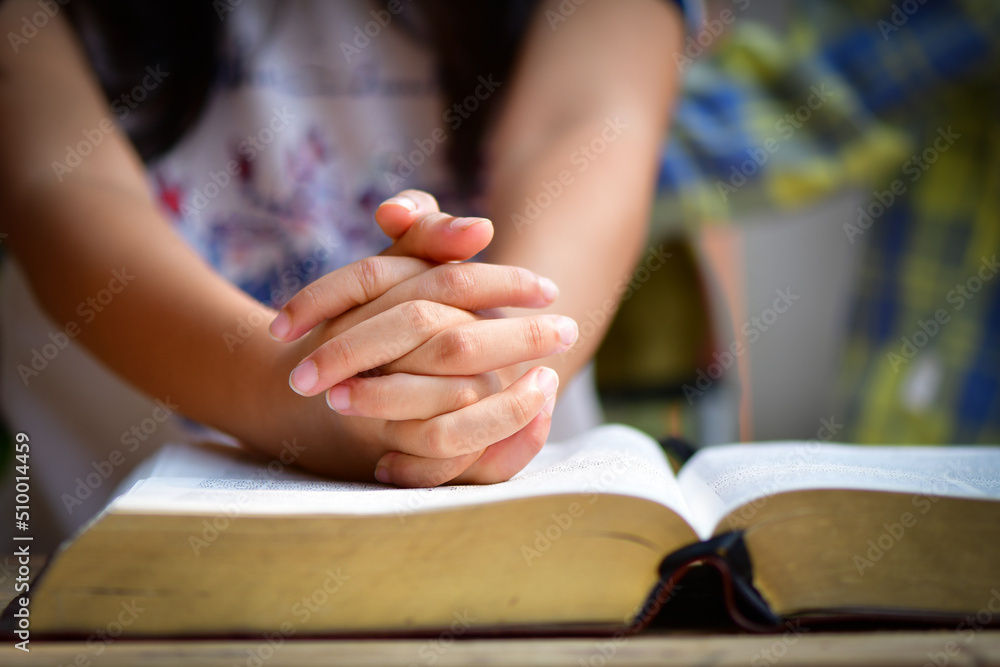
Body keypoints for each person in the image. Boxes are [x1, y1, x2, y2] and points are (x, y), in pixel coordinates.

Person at [0, 0, 691, 549]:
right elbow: (59, 189)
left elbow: (586, 128)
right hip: (102, 568)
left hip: (515, 547)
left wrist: (487, 362)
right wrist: (291, 388)